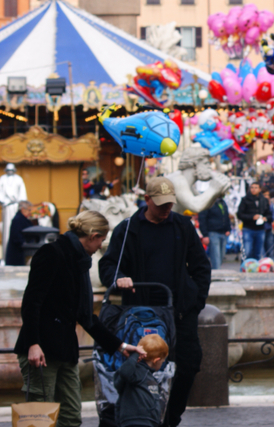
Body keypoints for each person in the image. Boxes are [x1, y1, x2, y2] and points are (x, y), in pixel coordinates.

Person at [15, 210, 145, 427]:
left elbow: (86, 317)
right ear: (93, 236)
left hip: (65, 350)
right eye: (101, 241)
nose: (100, 248)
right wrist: (33, 343)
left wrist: (120, 345)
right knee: (39, 420)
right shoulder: (52, 253)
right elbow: (31, 303)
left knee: (71, 417)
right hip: (42, 350)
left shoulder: (80, 260)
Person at [99, 177, 211, 427]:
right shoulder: (128, 228)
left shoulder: (182, 225)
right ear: (147, 199)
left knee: (188, 365)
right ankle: (143, 419)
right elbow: (107, 265)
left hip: (181, 313)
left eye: (170, 203)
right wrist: (118, 279)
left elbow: (201, 266)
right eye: (160, 204)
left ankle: (170, 420)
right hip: (142, 315)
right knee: (142, 369)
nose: (166, 208)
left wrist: (196, 301)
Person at [115, 334, 169, 427]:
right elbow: (124, 373)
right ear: (156, 360)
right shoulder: (136, 372)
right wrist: (134, 355)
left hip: (147, 422)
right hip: (137, 421)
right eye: (162, 361)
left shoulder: (148, 376)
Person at [0, 162, 27, 264]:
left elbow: (22, 193)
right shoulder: (2, 179)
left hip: (16, 206)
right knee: (6, 230)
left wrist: (20, 204)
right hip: (7, 206)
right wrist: (5, 201)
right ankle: (5, 257)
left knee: (17, 228)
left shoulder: (19, 179)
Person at [237, 182, 271, 260]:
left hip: (260, 229)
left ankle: (256, 270)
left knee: (258, 252)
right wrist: (252, 217)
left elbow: (269, 214)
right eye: (252, 187)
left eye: (256, 188)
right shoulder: (245, 200)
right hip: (248, 229)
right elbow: (240, 214)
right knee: (247, 251)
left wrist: (265, 218)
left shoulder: (264, 200)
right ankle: (245, 268)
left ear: (259, 189)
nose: (253, 189)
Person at [198, 197, 231, 270]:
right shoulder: (208, 203)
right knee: (215, 256)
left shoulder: (222, 202)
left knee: (222, 255)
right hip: (213, 232)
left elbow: (226, 216)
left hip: (223, 233)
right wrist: (205, 235)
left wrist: (228, 229)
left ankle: (217, 270)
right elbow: (202, 219)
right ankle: (216, 271)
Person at [5, 200, 36, 266]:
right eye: (29, 210)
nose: (30, 212)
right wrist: (25, 244)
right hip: (16, 254)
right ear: (23, 209)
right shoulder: (18, 219)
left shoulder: (23, 219)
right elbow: (16, 237)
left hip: (20, 252)